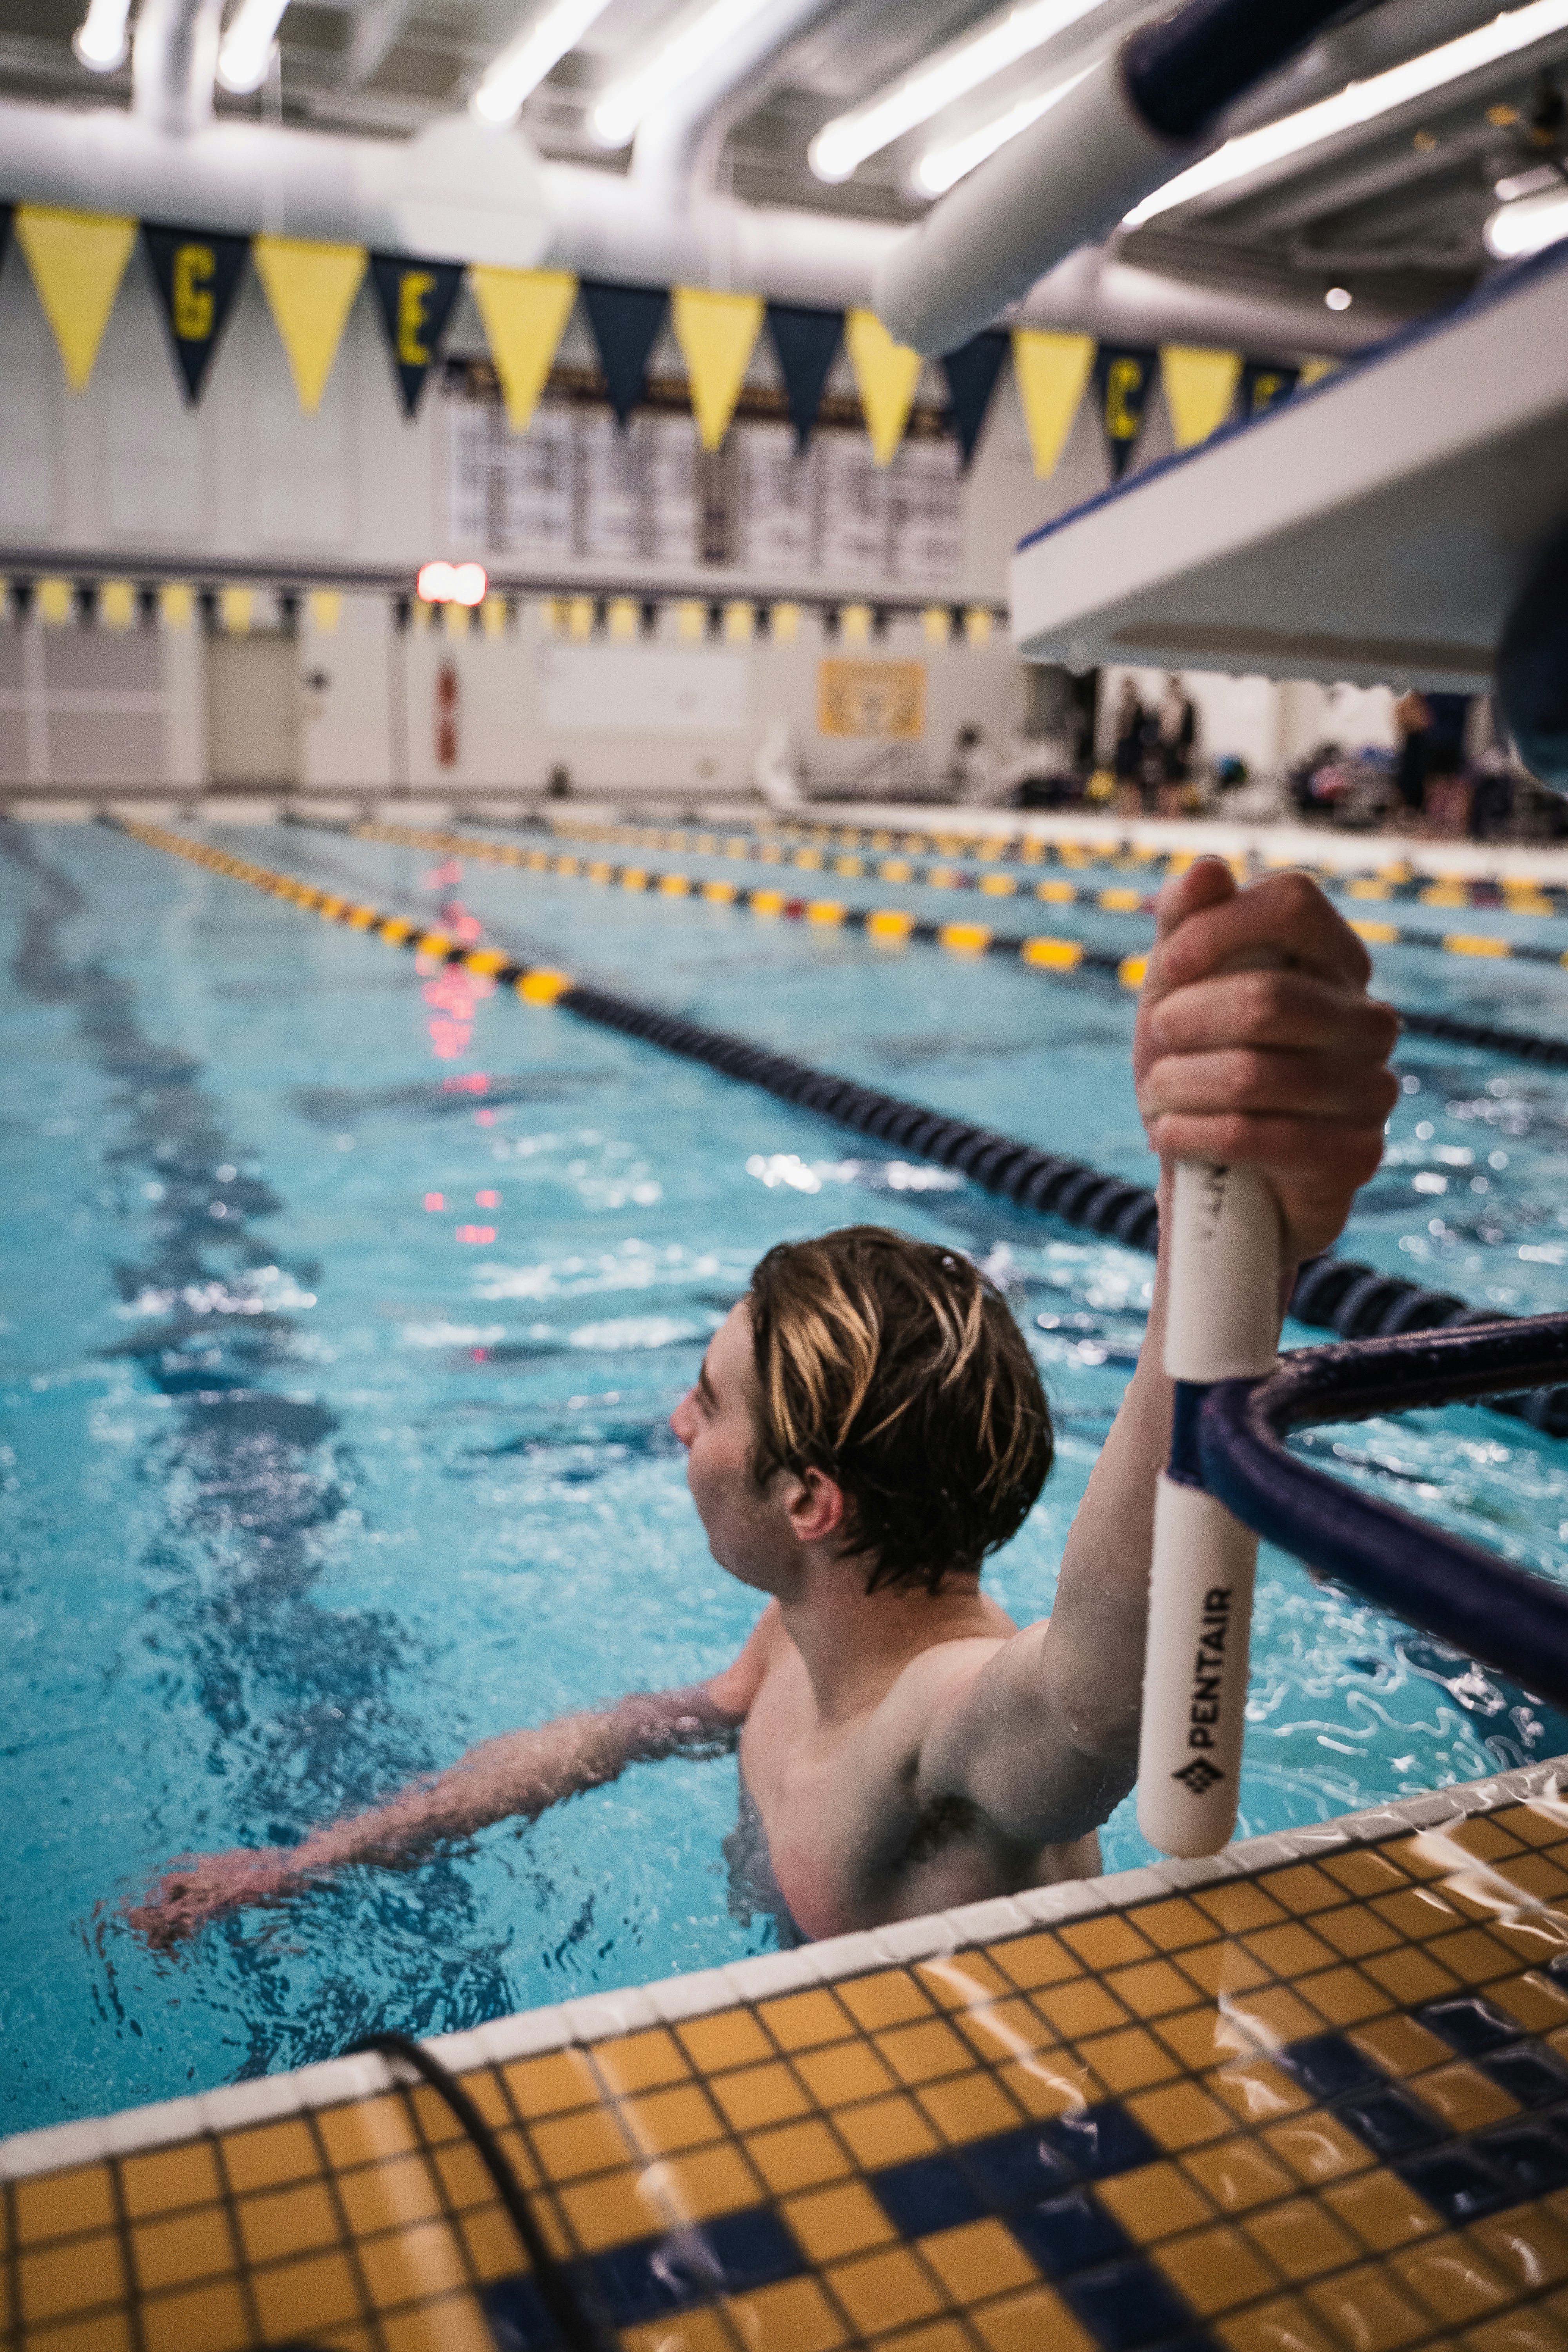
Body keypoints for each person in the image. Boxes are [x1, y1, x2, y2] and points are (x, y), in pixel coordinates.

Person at [128, 861, 1398, 1949]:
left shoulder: (938, 1730)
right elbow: (640, 1729)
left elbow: (1099, 1686)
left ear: (809, 1500)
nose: (677, 1425)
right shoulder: (802, 1631)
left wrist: (1223, 1252)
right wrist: (309, 1863)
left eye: (708, 1401)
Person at [1156, 674, 1197, 817]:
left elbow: (1190, 730)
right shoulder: (1165, 705)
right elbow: (1159, 728)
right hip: (1165, 745)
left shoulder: (1187, 706)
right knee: (1164, 779)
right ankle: (1164, 810)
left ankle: (1175, 811)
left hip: (1179, 747)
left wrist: (1186, 748)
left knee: (1177, 780)